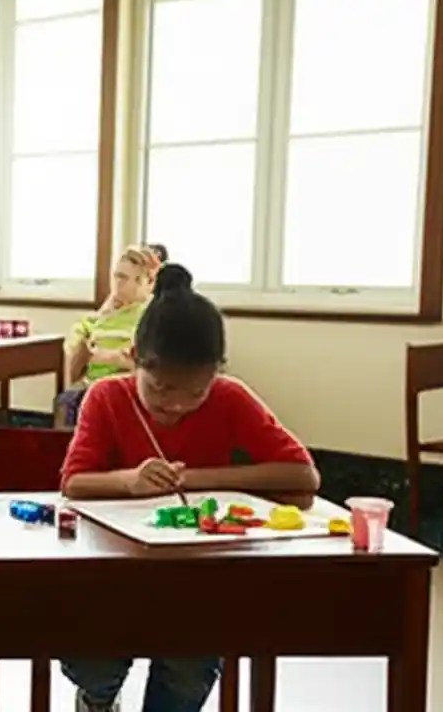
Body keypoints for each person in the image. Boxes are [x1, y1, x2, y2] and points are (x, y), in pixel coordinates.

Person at [58, 264, 319, 712]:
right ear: (136, 356)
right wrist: (130, 481)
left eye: (195, 393)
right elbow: (74, 484)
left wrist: (196, 478)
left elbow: (303, 478)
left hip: (198, 575)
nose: (176, 405)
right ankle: (98, 699)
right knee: (94, 659)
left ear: (216, 372)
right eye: (160, 389)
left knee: (190, 664)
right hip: (112, 573)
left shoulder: (230, 396)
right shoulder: (106, 397)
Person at [59, 245, 162, 426]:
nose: (116, 283)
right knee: (66, 401)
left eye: (123, 278)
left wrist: (104, 357)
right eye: (115, 276)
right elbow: (79, 336)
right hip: (91, 383)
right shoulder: (106, 312)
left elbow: (145, 361)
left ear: (141, 281)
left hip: (126, 383)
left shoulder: (150, 313)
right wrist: (80, 348)